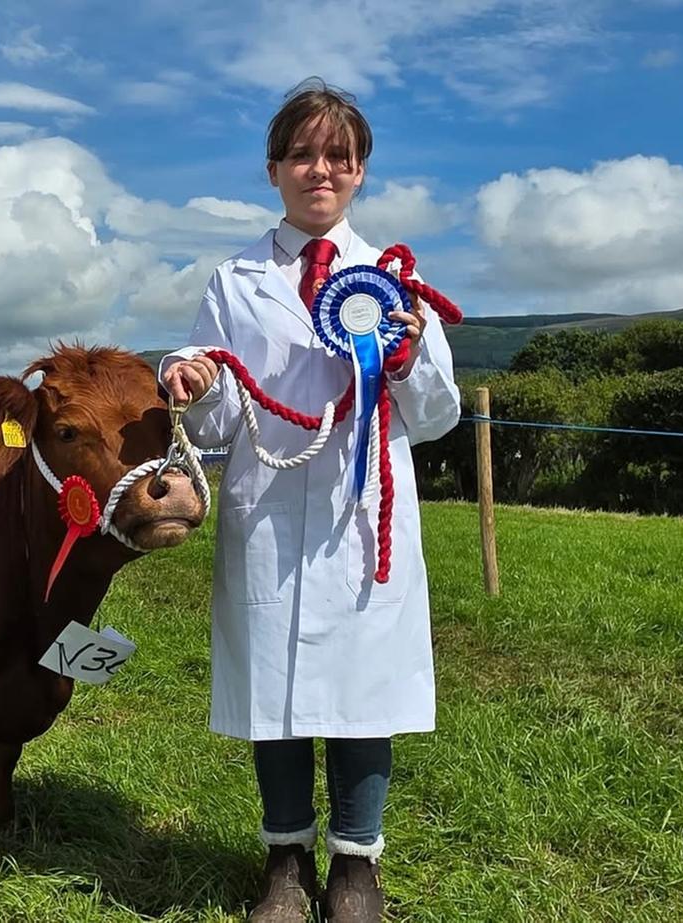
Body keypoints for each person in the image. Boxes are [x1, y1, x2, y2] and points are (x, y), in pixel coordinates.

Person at [159, 78, 458, 923]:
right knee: (275, 691)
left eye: (338, 155)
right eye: (302, 154)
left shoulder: (395, 281)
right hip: (268, 505)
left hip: (364, 508)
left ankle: (357, 867)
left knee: (364, 684)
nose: (319, 169)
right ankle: (285, 864)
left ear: (360, 172)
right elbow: (218, 409)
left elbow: (435, 414)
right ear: (273, 169)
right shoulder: (234, 279)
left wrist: (401, 362)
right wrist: (192, 377)